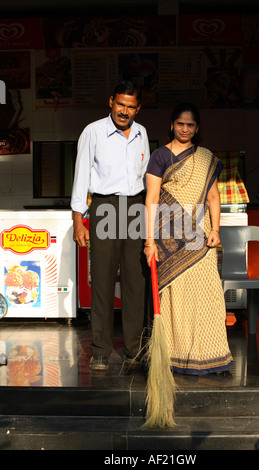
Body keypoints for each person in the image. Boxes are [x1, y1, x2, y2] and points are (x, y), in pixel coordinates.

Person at [144, 102, 233, 376]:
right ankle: (175, 355)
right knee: (176, 297)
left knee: (207, 295)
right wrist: (149, 241)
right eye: (180, 124)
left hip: (200, 235)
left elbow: (213, 197)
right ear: (172, 124)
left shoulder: (205, 157)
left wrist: (216, 229)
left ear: (197, 128)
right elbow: (152, 198)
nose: (185, 129)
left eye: (190, 125)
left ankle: (211, 355)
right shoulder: (160, 156)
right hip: (169, 237)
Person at [71, 81, 150, 370]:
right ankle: (101, 351)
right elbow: (80, 176)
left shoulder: (141, 132)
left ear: (137, 108)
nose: (124, 111)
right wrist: (78, 220)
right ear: (111, 102)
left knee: (135, 280)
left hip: (136, 207)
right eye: (120, 104)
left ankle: (134, 349)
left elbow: (146, 175)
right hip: (104, 206)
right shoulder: (93, 132)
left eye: (131, 106)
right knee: (102, 279)